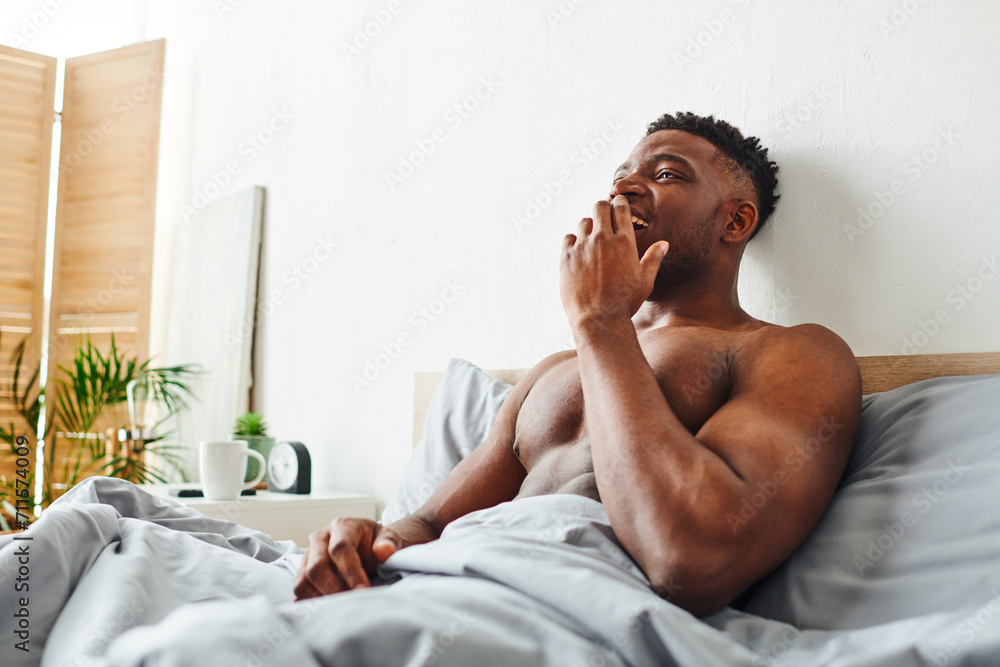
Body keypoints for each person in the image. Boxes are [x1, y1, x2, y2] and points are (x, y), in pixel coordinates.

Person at [293, 112, 862, 617]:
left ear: (735, 222)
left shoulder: (789, 352)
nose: (623, 186)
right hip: (437, 585)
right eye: (621, 173)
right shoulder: (553, 371)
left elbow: (694, 557)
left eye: (666, 174)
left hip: (554, 611)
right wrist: (364, 543)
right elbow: (431, 525)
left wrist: (601, 322)